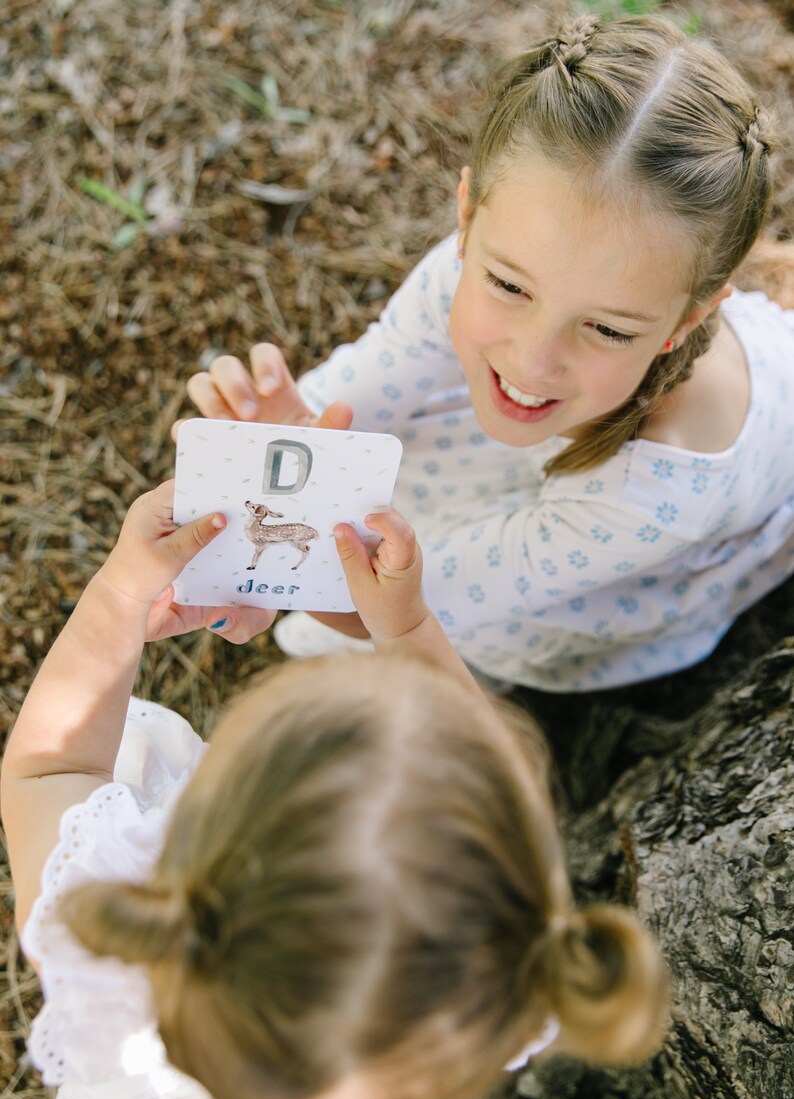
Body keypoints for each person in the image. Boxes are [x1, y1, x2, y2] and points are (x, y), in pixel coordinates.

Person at [2, 483, 667, 1099]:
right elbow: (480, 764)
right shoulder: (485, 955)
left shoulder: (99, 929)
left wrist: (119, 593)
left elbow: (54, 762)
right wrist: (405, 627)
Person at [184, 13, 794, 691]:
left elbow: (412, 611)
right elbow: (354, 399)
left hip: (623, 538)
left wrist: (285, 573)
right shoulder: (488, 264)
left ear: (692, 316)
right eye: (508, 286)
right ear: (468, 215)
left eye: (608, 329)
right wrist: (287, 431)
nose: (532, 361)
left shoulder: (657, 495)